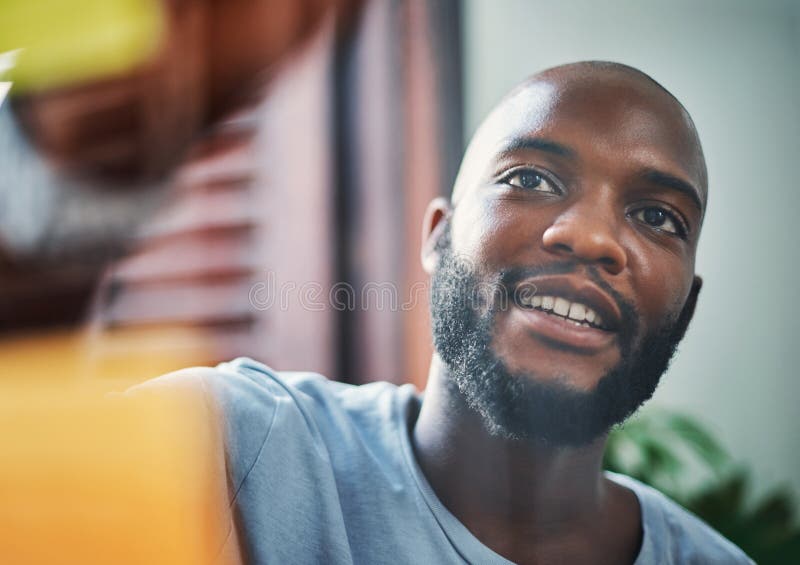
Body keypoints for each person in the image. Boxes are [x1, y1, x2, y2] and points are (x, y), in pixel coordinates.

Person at [143, 61, 753, 564]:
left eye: (657, 217)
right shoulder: (227, 446)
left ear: (686, 308)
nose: (591, 237)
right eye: (533, 179)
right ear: (439, 237)